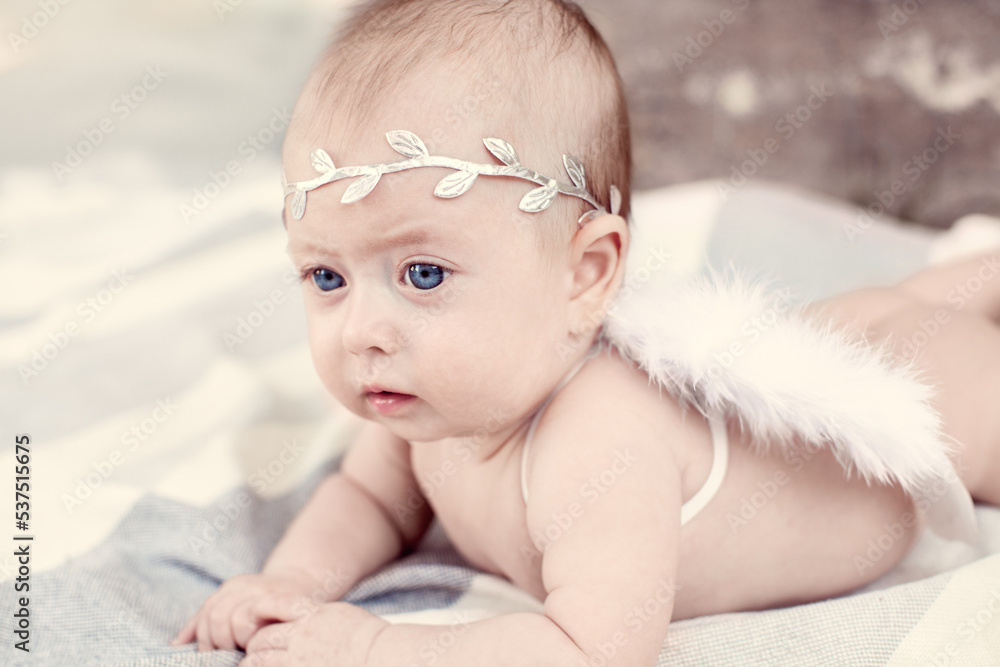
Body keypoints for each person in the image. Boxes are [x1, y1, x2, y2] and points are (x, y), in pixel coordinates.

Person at [172, 0, 1000, 664]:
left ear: (586, 274)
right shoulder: (422, 405)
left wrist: (378, 644)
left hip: (919, 397)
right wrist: (290, 584)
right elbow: (365, 502)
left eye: (423, 274)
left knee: (909, 337)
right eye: (327, 278)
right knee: (867, 312)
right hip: (829, 343)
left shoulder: (594, 442)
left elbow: (595, 645)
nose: (362, 332)